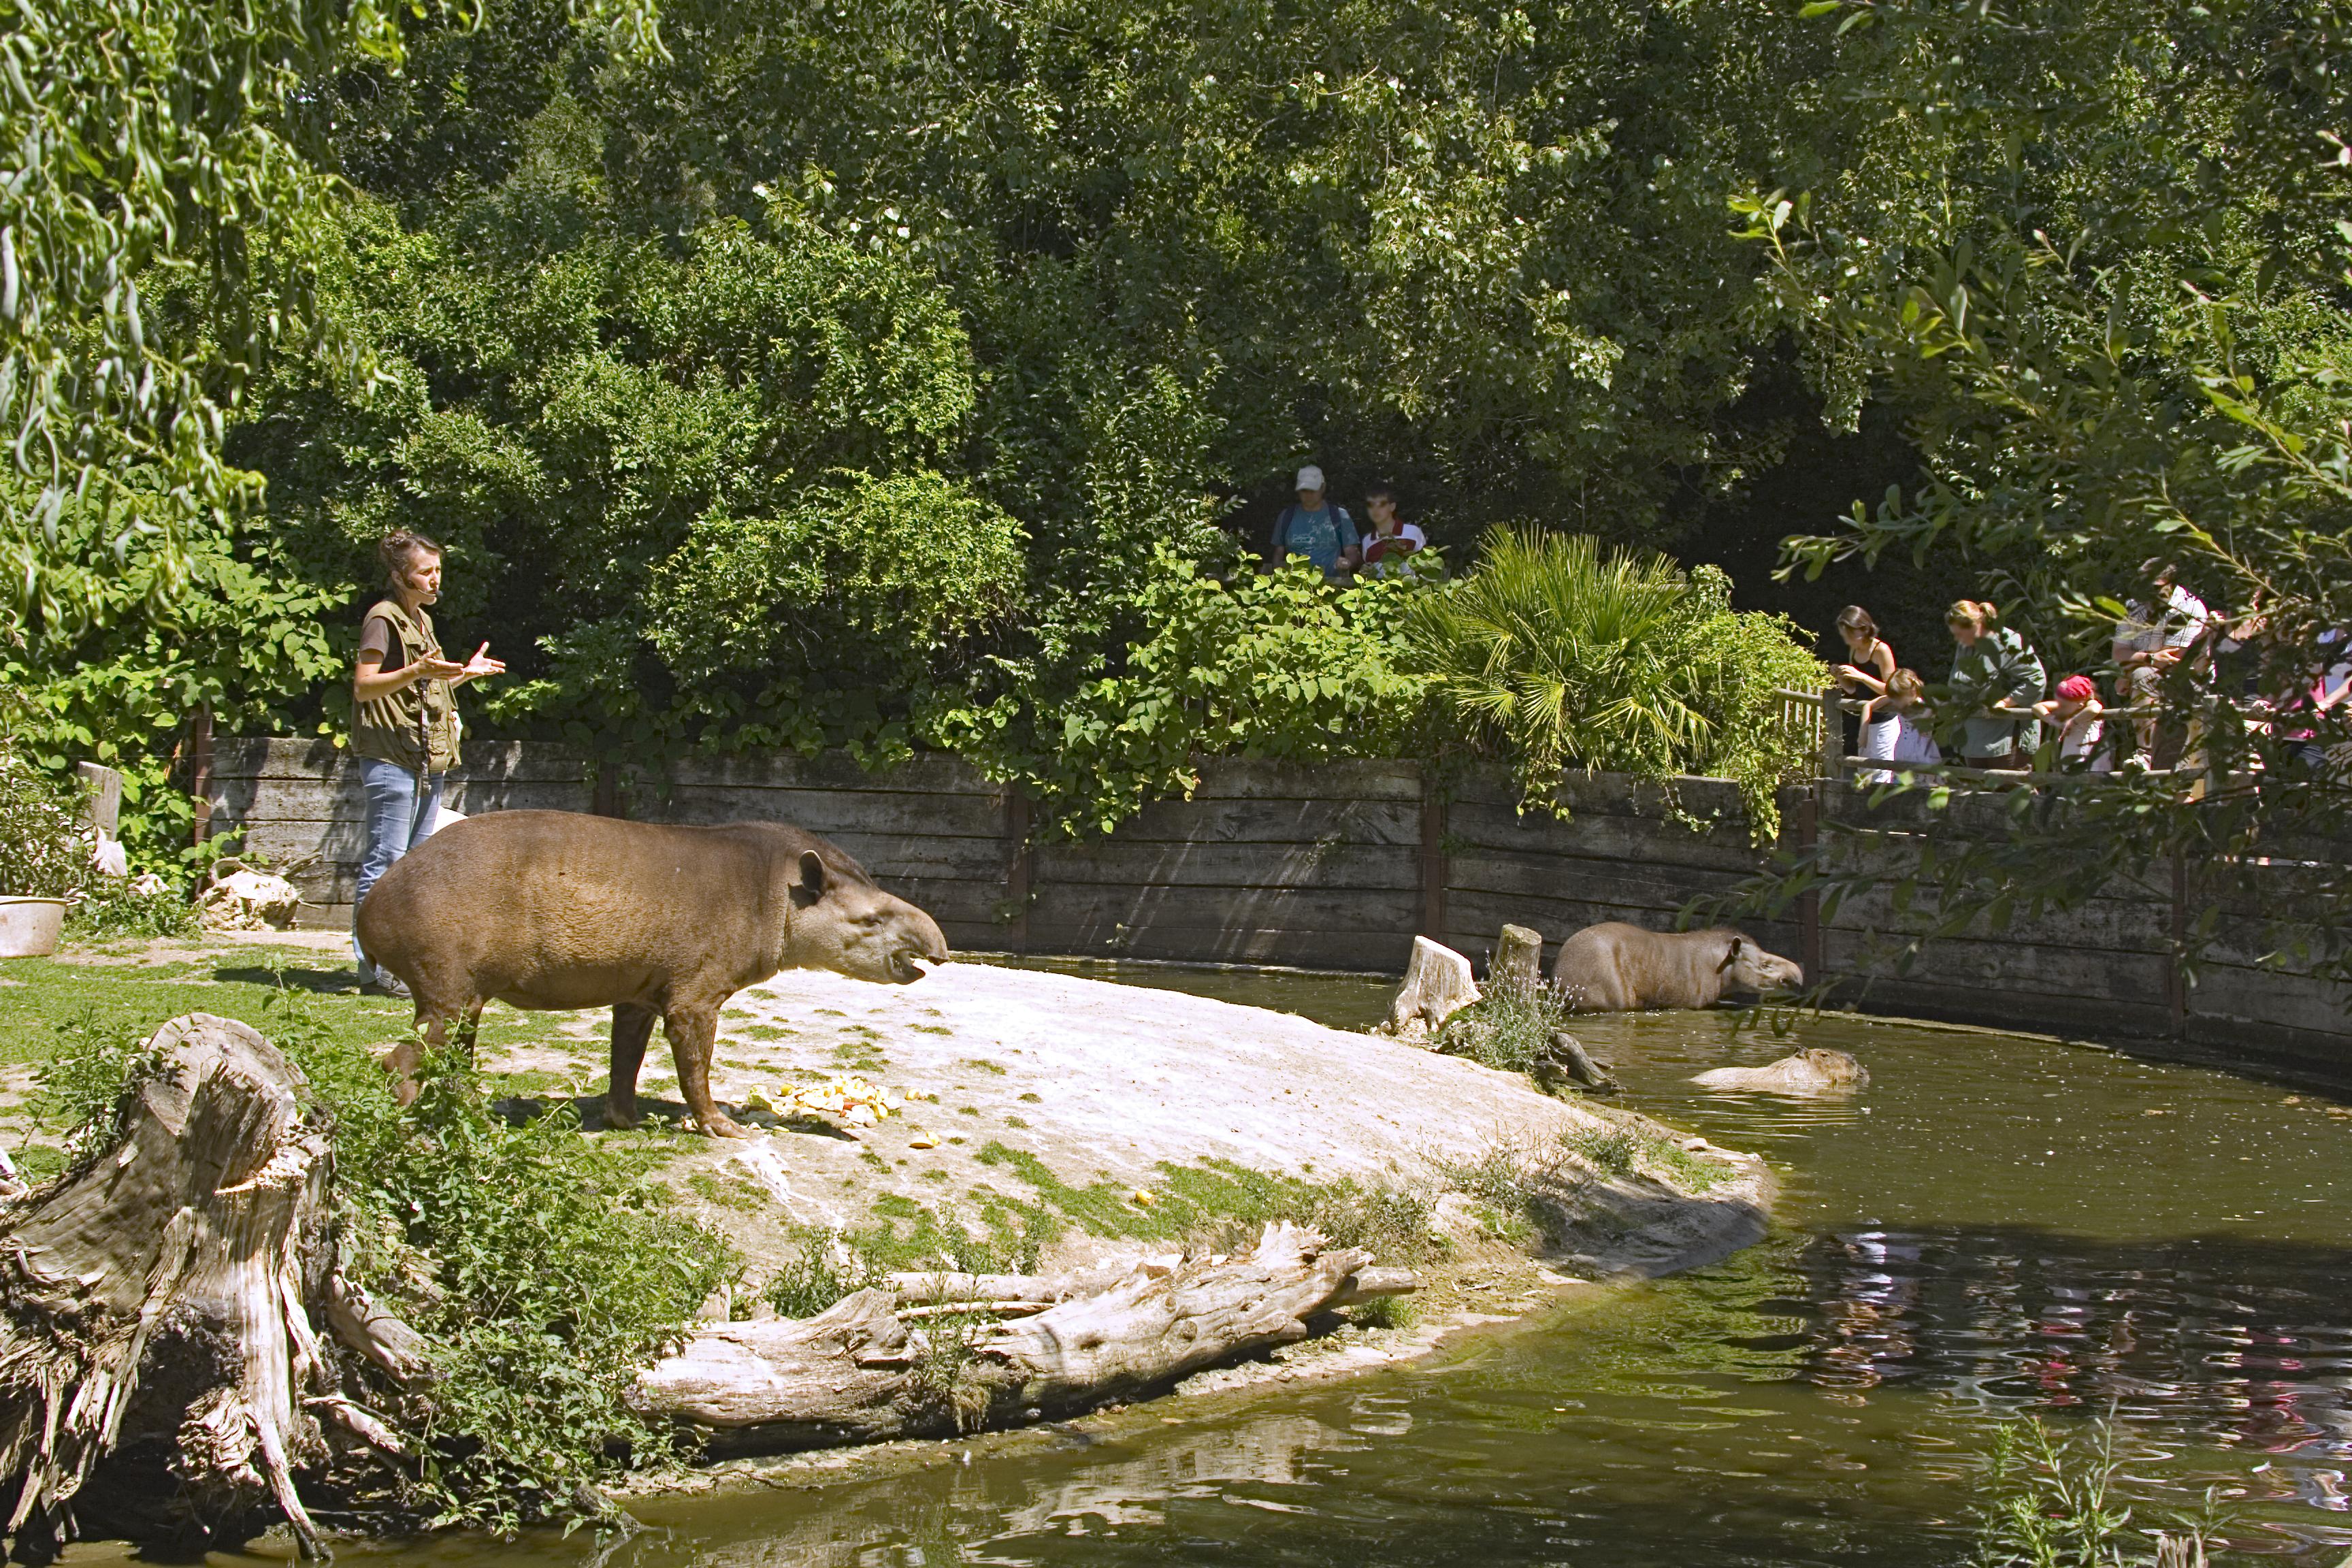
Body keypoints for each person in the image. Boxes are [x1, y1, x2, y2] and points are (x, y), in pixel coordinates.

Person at [350, 530, 503, 996]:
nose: (436, 580)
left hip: (425, 760)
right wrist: (418, 670)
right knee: (386, 862)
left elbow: (423, 689)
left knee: (414, 867)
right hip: (391, 757)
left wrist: (463, 675)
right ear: (399, 576)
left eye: (438, 570)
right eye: (426, 572)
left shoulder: (420, 621)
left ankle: (399, 963)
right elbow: (365, 686)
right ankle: (370, 968)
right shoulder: (384, 619)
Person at [2112, 560, 2211, 762]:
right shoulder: (2133, 606)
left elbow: (2170, 658)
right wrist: (2146, 659)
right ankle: (2145, 754)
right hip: (2148, 680)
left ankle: (2145, 753)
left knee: (2141, 675)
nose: (2148, 591)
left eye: (2155, 586)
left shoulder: (2189, 607)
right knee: (2142, 675)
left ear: (2171, 584)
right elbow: (2118, 652)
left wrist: (2131, 669)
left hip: (2186, 683)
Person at [1944, 600, 2044, 770]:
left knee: (2009, 790)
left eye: (1960, 634)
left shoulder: (2008, 642)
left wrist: (2004, 703)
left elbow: (2036, 680)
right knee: (1978, 792)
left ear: (1976, 625)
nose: (1957, 639)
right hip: (1973, 737)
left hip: (2005, 739)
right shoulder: (1966, 646)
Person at [1833, 606, 1899, 774]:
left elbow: (1892, 690)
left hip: (1884, 720)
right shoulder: (1853, 650)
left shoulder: (1881, 650)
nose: (1847, 641)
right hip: (1865, 720)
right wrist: (1840, 677)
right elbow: (1852, 690)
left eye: (1849, 636)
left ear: (1863, 629)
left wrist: (1861, 676)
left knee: (1880, 773)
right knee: (1864, 773)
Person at [1268, 466, 1358, 582]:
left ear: (1323, 488)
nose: (1308, 495)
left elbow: (1352, 553)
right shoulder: (1286, 516)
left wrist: (1347, 563)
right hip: (1294, 589)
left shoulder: (1339, 516)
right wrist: (1278, 582)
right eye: (1304, 490)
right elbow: (1278, 554)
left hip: (1332, 588)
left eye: (1313, 490)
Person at [1857, 667, 1940, 781]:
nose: (1895, 702)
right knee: (1900, 784)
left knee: (1925, 786)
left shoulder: (1927, 704)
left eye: (1898, 699)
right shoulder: (1898, 698)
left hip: (1922, 751)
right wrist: (1864, 731)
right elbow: (1868, 705)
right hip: (1902, 748)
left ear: (1912, 692)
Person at [2034, 674, 2110, 770]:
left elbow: (2094, 710)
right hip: (2071, 756)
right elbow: (2037, 707)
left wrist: (2073, 722)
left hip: (2090, 757)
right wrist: (2054, 721)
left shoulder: (2090, 703)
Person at [1356, 483, 1428, 578]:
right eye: (1371, 505)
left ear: (1392, 506)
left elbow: (1427, 567)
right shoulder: (1367, 541)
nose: (1375, 509)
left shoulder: (1413, 533)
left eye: (1381, 504)